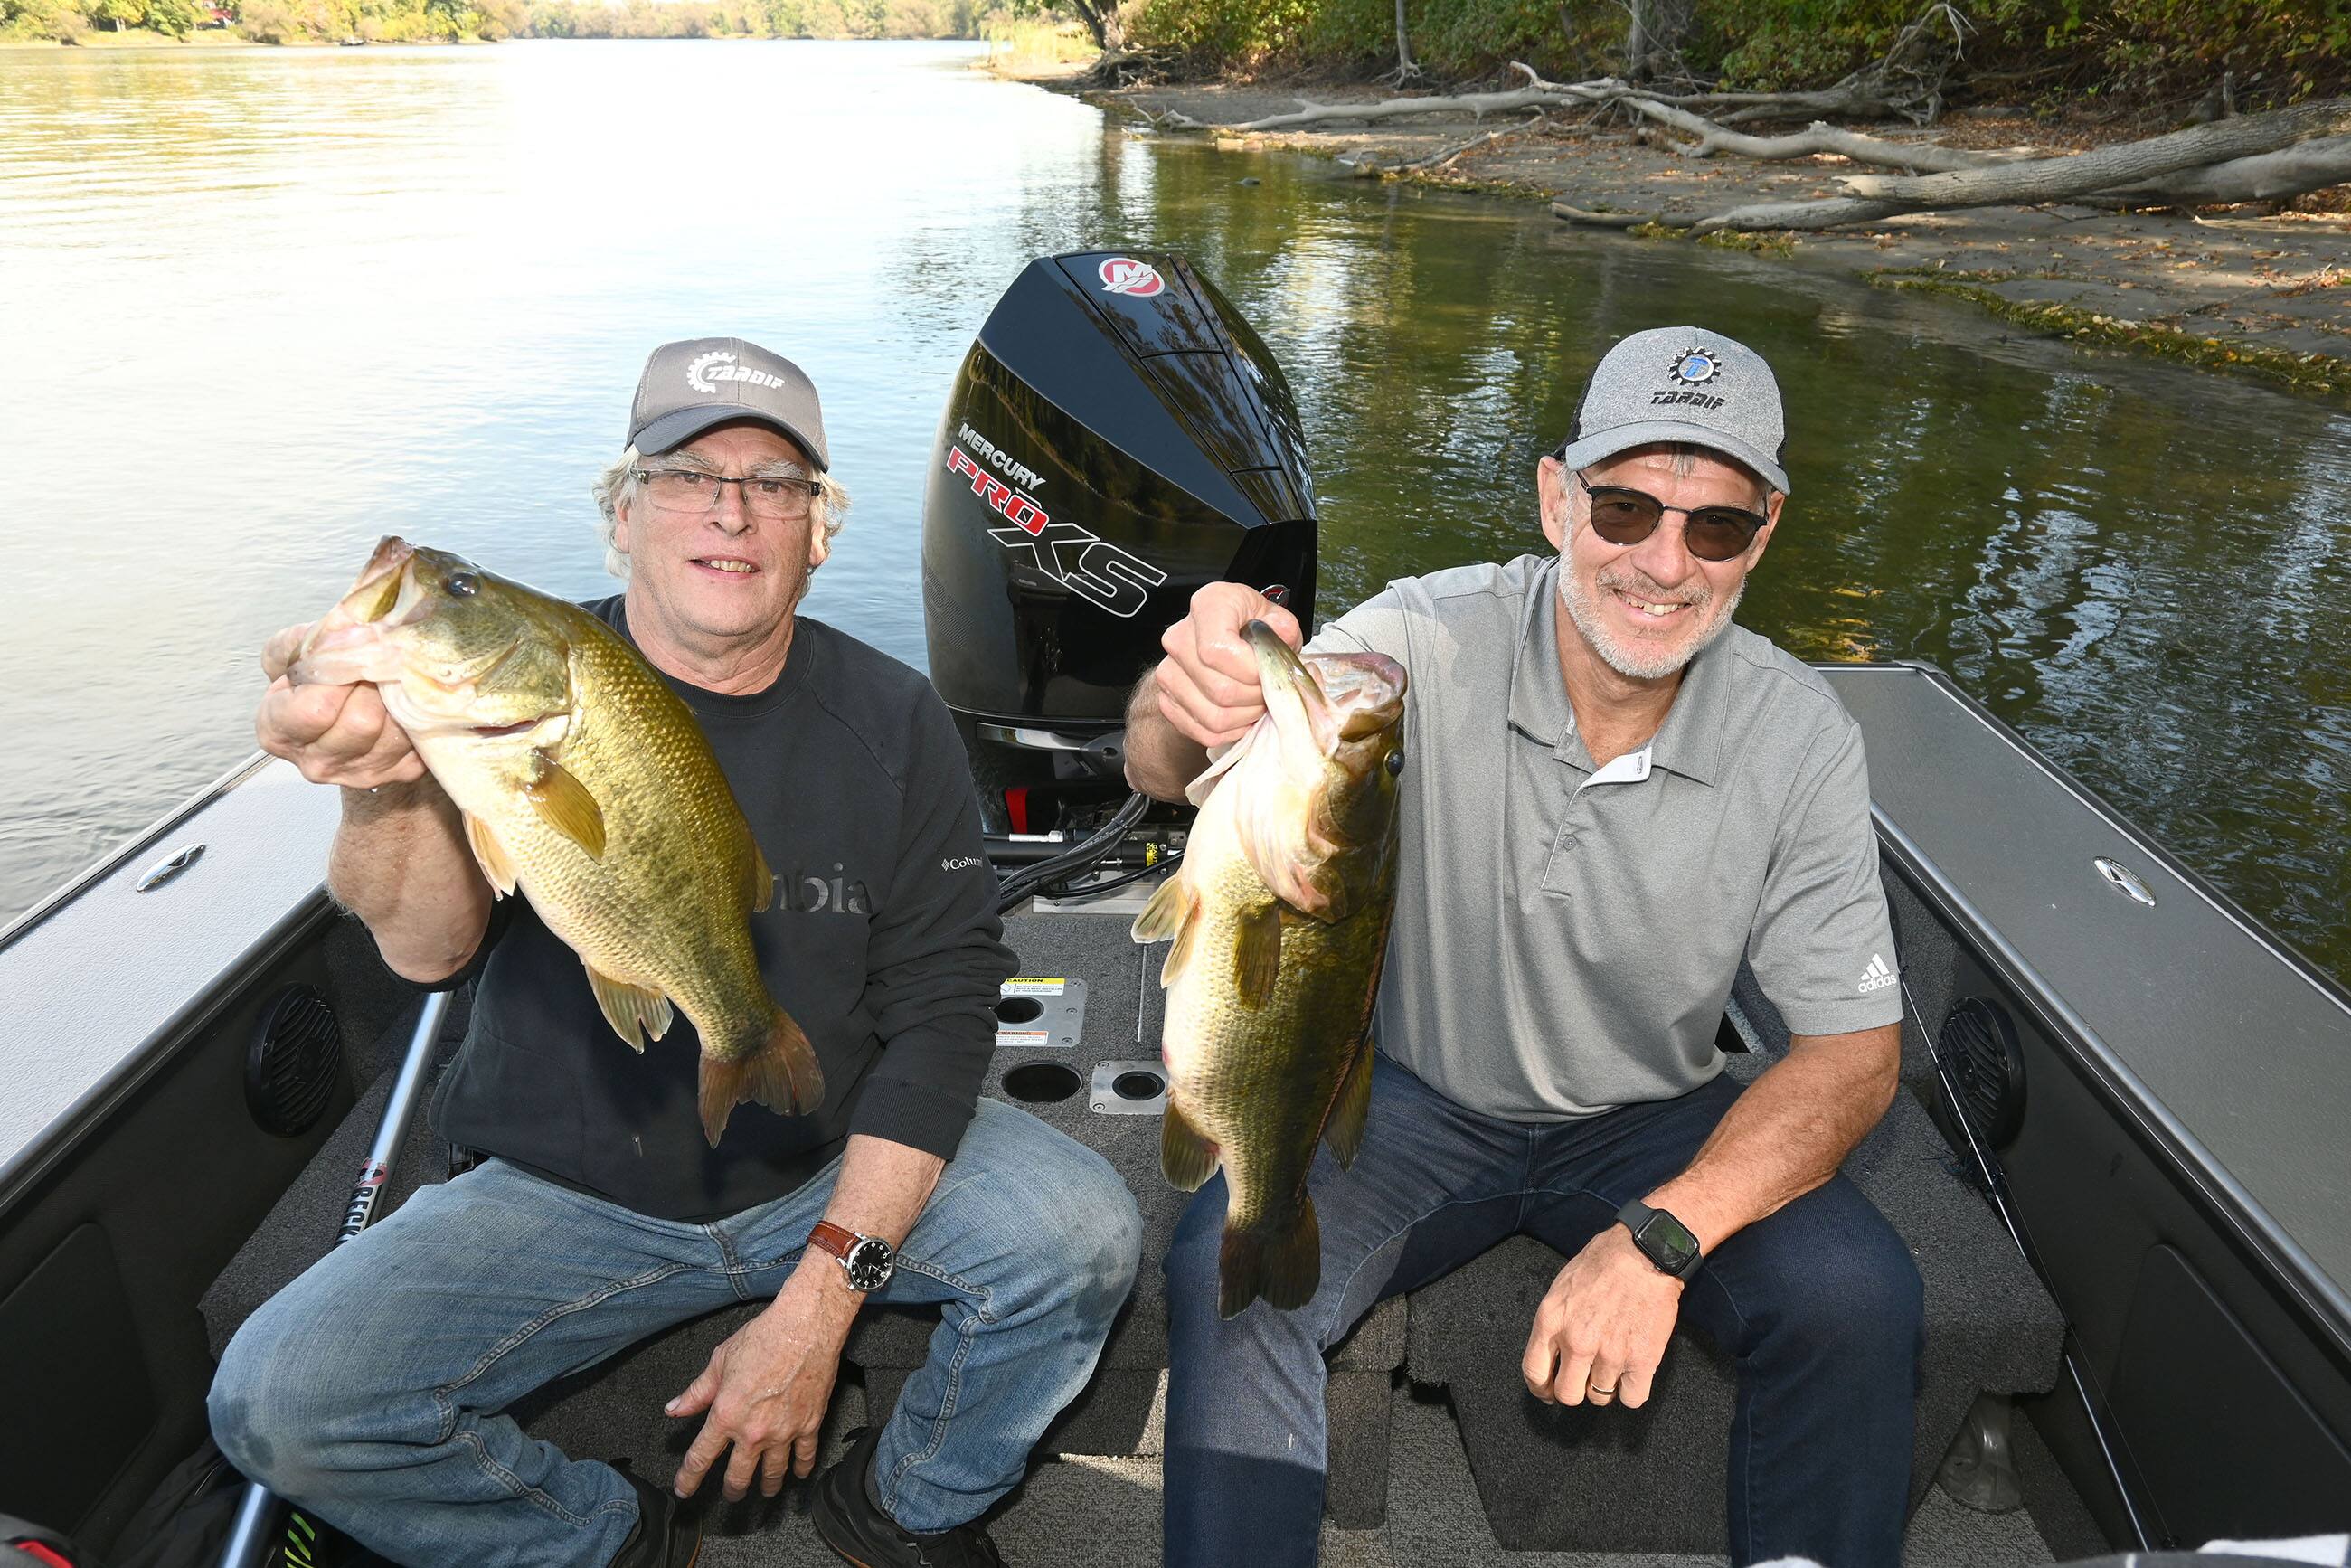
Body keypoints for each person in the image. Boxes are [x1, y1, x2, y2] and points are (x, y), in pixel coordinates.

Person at [211, 336, 1142, 1568]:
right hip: (557, 1187)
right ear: (622, 516)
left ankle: (909, 1496)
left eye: (777, 483)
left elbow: (946, 1005)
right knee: (275, 1397)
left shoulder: (894, 717)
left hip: (829, 1157)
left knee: (1085, 1233)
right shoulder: (502, 698)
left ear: (818, 533)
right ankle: (597, 1537)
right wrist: (383, 787)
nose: (733, 507)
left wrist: (825, 1295)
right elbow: (428, 950)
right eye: (688, 473)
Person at [1126, 327, 1921, 1568]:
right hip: (1412, 1096)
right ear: (1558, 500)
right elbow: (1175, 762)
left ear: (1760, 537)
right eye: (1625, 507)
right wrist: (1197, 688)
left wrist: (1666, 1232)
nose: (1664, 561)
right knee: (1229, 1264)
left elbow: (1858, 1057)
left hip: (1654, 1116)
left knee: (1859, 1298)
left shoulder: (1800, 736)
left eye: (1713, 526)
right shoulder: (1426, 639)